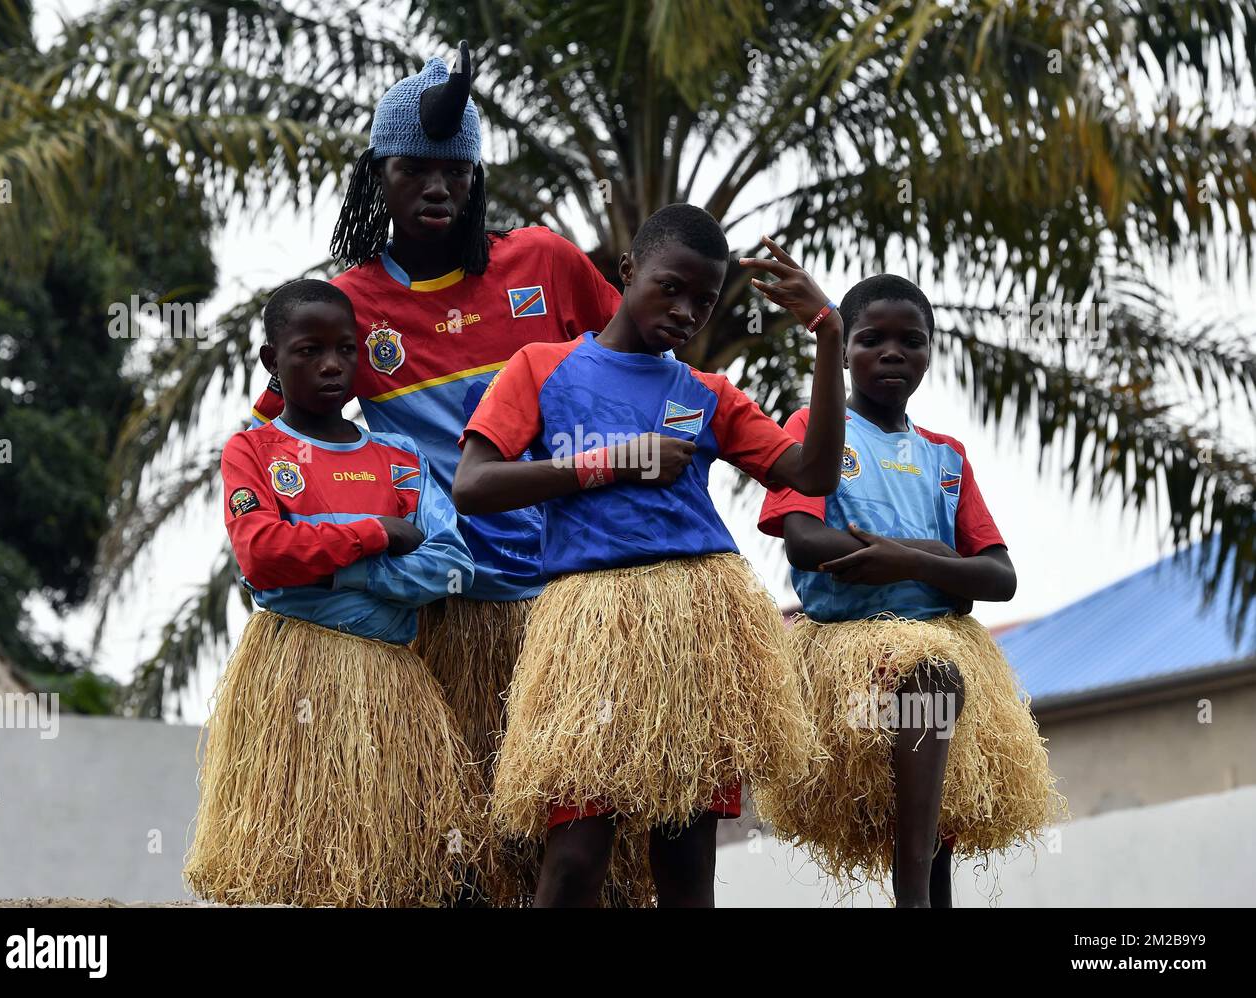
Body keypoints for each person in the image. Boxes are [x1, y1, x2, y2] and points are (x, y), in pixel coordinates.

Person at [248, 43, 624, 903]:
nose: (436, 188)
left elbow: (636, 370)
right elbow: (280, 438)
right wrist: (277, 550)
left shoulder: (548, 264)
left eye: (454, 170)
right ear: (374, 177)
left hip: (561, 599)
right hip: (432, 610)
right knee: (443, 854)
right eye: (411, 168)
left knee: (565, 842)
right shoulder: (349, 305)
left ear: (477, 178)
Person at [452, 204, 847, 906]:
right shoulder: (543, 367)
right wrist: (615, 462)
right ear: (628, 272)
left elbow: (813, 476)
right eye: (672, 287)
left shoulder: (706, 394)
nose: (688, 310)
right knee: (574, 859)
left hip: (695, 632)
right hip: (587, 631)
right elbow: (474, 485)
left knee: (687, 871)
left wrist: (829, 334)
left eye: (704, 299)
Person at [756, 273, 1062, 907]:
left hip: (944, 639)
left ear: (929, 351)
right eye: (871, 339)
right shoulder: (816, 425)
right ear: (843, 352)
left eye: (911, 341)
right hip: (851, 647)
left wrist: (907, 558)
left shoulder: (945, 456)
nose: (892, 353)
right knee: (929, 678)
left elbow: (1000, 577)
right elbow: (805, 540)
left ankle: (926, 893)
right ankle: (910, 897)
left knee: (939, 791)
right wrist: (940, 561)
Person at [186, 280, 484, 907]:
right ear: (272, 360)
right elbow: (262, 556)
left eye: (345, 350)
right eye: (309, 350)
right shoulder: (254, 450)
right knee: (295, 874)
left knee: (396, 873)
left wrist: (331, 567)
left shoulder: (399, 457)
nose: (331, 365)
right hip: (292, 676)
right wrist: (376, 532)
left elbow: (450, 566)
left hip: (393, 685)